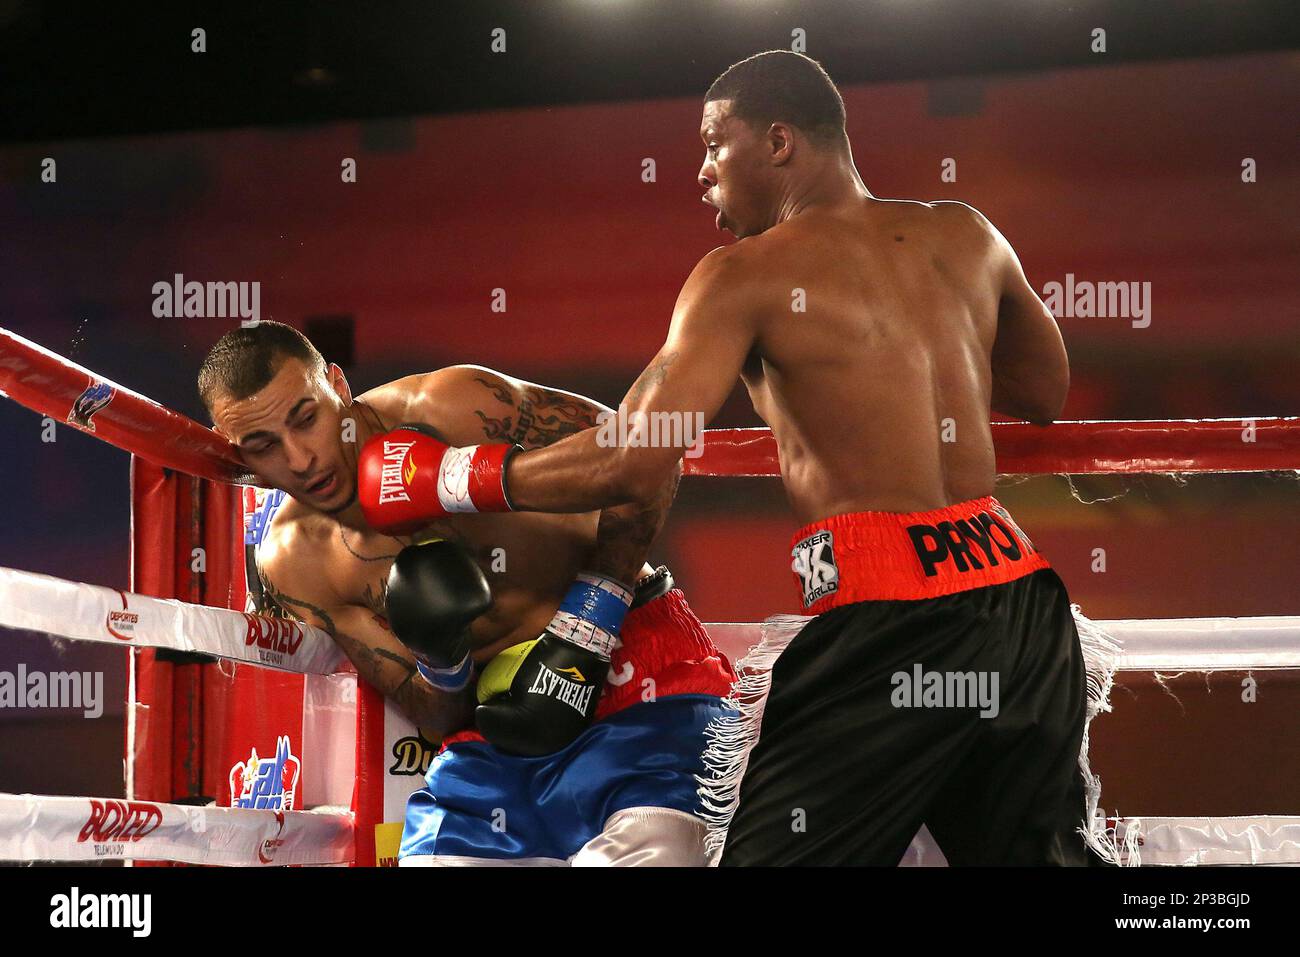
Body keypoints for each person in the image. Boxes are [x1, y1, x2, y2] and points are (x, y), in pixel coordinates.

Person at [357, 51, 1096, 865]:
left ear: (779, 140)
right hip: (1021, 601)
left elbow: (637, 458)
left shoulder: (741, 276)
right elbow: (1043, 387)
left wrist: (449, 477)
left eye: (714, 144)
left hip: (889, 621)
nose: (701, 173)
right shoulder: (965, 231)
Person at [198, 321, 734, 865]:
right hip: (504, 728)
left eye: (306, 420)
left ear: (337, 385)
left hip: (639, 678)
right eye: (264, 446)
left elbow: (647, 452)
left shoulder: (451, 408)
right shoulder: (297, 564)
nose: (300, 459)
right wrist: (443, 659)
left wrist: (587, 620)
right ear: (240, 454)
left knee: (657, 851)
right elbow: (433, 715)